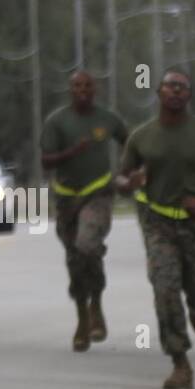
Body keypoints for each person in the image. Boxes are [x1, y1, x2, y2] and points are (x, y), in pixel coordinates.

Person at [115, 69, 195, 389]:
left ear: (189, 96)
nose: (175, 92)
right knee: (164, 287)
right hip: (158, 223)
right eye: (170, 86)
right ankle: (180, 362)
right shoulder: (142, 136)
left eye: (182, 88)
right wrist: (130, 183)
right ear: (159, 92)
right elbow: (121, 179)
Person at [41, 71, 129, 351]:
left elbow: (130, 143)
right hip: (67, 199)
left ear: (96, 89)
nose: (83, 90)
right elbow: (46, 161)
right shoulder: (57, 121)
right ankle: (82, 316)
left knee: (87, 244)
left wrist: (128, 173)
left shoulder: (107, 119)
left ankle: (97, 306)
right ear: (70, 90)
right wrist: (72, 152)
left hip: (99, 194)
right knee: (75, 256)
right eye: (77, 86)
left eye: (88, 86)